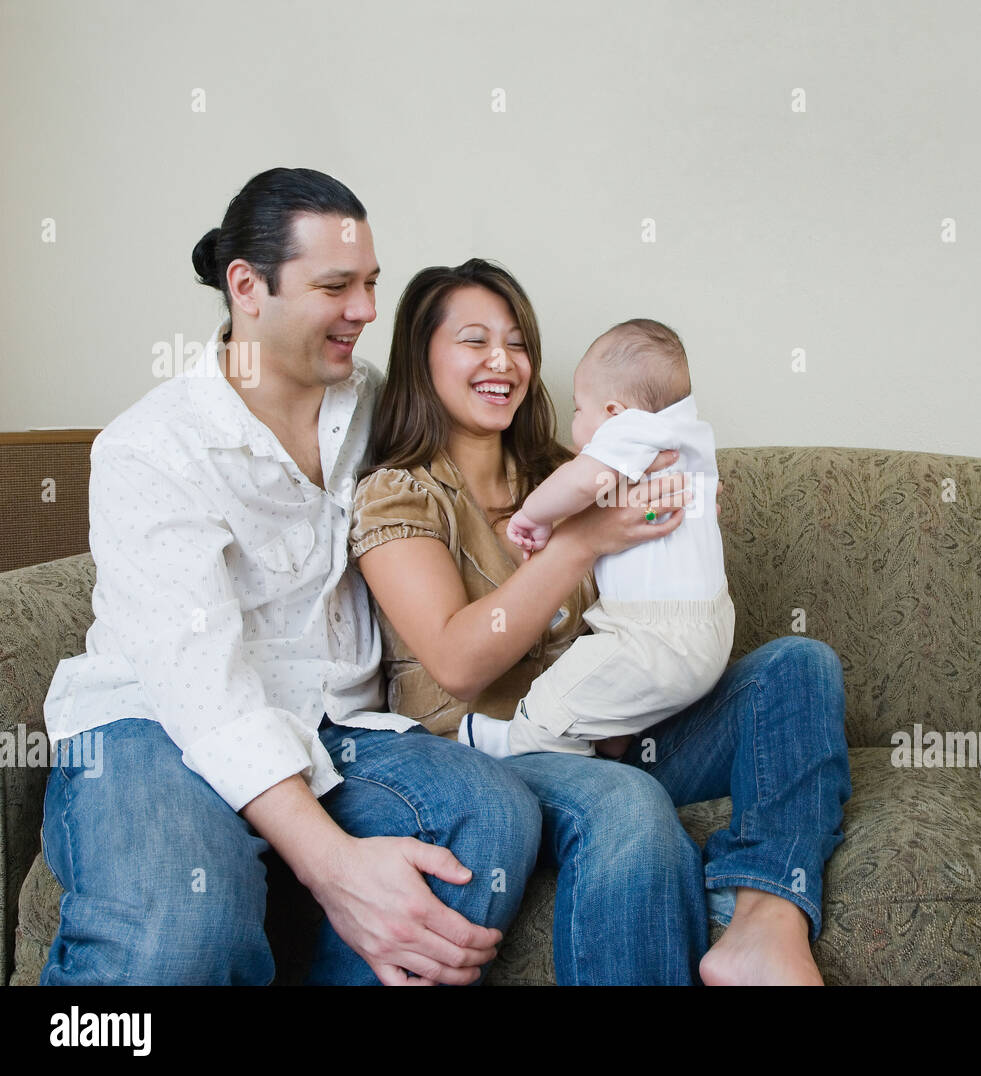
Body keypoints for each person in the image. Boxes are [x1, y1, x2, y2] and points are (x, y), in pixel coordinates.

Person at [39, 167, 539, 986]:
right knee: (183, 929)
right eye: (337, 286)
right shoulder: (151, 448)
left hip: (330, 723)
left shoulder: (376, 404)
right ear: (248, 287)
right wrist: (332, 866)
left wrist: (627, 478)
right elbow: (208, 697)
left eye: (372, 284)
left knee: (493, 814)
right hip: (155, 726)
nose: (369, 312)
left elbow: (497, 437)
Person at [351, 258, 853, 985]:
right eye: (473, 340)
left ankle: (766, 922)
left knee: (800, 668)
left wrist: (675, 525)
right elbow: (458, 664)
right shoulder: (399, 493)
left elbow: (656, 607)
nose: (503, 361)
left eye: (518, 343)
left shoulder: (572, 468)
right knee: (630, 806)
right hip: (490, 751)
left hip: (611, 726)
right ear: (420, 358)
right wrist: (583, 541)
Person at [457, 317, 735, 759]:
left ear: (613, 414)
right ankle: (612, 740)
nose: (575, 424)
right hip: (710, 629)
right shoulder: (686, 436)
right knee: (611, 683)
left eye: (578, 410)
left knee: (561, 696)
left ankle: (518, 739)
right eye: (474, 339)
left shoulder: (630, 432)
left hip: (654, 634)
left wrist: (536, 515)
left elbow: (585, 480)